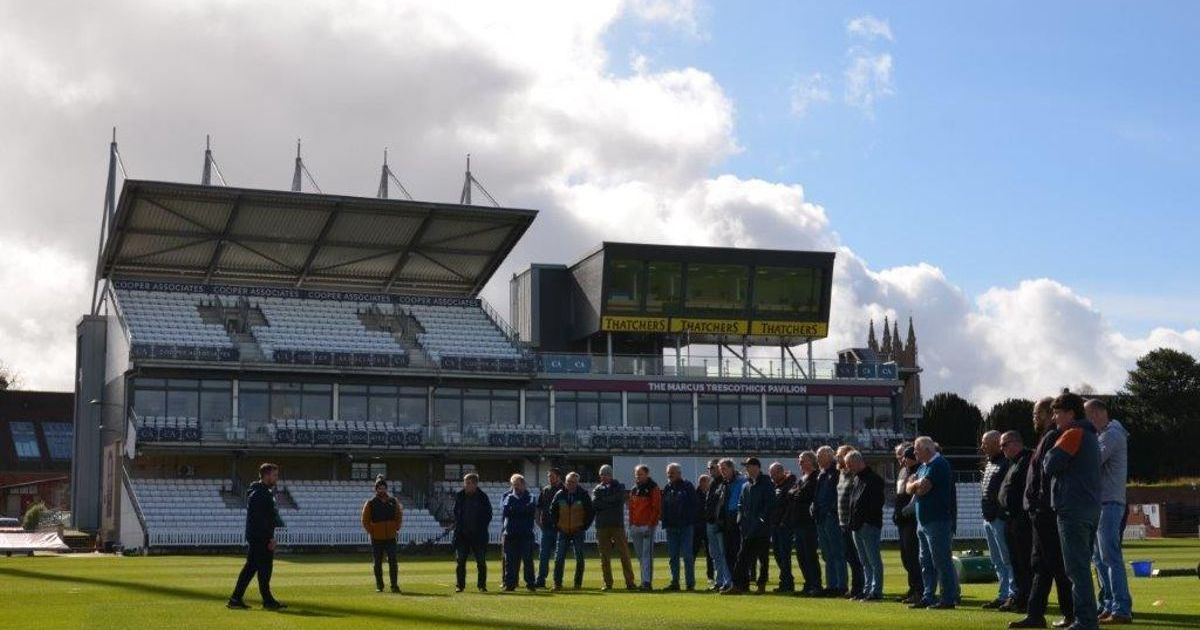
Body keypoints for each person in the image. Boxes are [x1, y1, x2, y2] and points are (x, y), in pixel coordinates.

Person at [1011, 397, 1075, 630]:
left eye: (1037, 413)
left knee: (1055, 563)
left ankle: (1070, 613)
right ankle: (1036, 613)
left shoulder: (1052, 437)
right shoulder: (1047, 437)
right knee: (1041, 565)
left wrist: (1038, 503)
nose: (1034, 418)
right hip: (1040, 509)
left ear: (1049, 413)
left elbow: (1045, 474)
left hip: (1045, 511)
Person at [1044, 391, 1102, 630]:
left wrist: (1053, 444)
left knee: (1076, 569)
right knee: (1081, 567)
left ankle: (1085, 620)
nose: (1054, 418)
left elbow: (1049, 464)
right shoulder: (1090, 435)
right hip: (1089, 507)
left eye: (1057, 413)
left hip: (1072, 508)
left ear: (1070, 413)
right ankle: (1087, 618)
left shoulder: (1072, 434)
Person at [1087, 399, 1133, 625]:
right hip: (1102, 503)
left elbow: (1093, 460)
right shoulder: (1106, 434)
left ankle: (1121, 608)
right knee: (1100, 559)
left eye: (1086, 417)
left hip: (1109, 502)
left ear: (1096, 414)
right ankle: (1109, 605)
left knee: (1110, 557)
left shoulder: (1112, 434)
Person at [907, 436, 959, 610]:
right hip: (923, 521)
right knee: (925, 562)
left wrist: (914, 484)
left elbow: (922, 490)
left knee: (941, 561)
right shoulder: (923, 467)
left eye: (916, 450)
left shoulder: (939, 464)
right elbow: (909, 489)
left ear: (927, 450)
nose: (914, 453)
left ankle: (948, 598)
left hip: (937, 520)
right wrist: (915, 484)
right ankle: (928, 595)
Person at [228, 463, 286, 610]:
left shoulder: (261, 492)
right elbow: (261, 520)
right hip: (260, 537)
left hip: (257, 536)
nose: (276, 478)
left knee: (251, 568)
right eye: (274, 475)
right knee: (264, 568)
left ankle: (236, 599)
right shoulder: (261, 494)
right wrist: (269, 537)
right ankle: (267, 601)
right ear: (266, 475)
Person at [724, 457, 773, 595]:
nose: (746, 468)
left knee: (763, 558)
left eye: (749, 466)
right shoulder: (746, 485)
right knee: (742, 557)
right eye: (746, 466)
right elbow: (740, 503)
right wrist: (740, 519)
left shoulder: (766, 483)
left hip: (762, 528)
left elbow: (769, 504)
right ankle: (738, 585)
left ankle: (761, 584)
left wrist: (761, 520)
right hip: (747, 528)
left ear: (756, 467)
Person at [998, 430, 1033, 614]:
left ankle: (1026, 599)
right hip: (1011, 518)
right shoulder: (1013, 463)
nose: (1002, 448)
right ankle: (1019, 597)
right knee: (1015, 561)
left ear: (1015, 443)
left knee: (1024, 561)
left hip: (1022, 519)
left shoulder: (1027, 460)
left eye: (1004, 444)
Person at [981, 429, 1015, 609]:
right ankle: (1003, 594)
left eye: (985, 443)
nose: (982, 447)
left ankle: (1013, 594)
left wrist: (1001, 514)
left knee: (1007, 558)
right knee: (996, 560)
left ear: (996, 443)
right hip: (988, 518)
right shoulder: (990, 463)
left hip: (999, 518)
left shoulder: (1005, 463)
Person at [845, 450, 884, 601]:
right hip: (857, 525)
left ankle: (876, 591)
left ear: (858, 461)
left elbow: (876, 504)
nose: (848, 468)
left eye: (849, 464)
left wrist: (866, 521)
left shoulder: (874, 479)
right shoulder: (857, 479)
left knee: (873, 560)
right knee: (864, 561)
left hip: (868, 525)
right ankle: (868, 589)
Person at [591, 464, 636, 591]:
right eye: (601, 475)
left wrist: (604, 502)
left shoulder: (619, 487)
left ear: (611, 475)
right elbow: (595, 504)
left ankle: (630, 582)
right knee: (604, 556)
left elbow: (618, 500)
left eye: (606, 474)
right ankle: (608, 583)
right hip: (602, 526)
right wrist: (610, 502)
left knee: (624, 554)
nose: (603, 477)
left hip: (617, 525)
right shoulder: (597, 489)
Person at [549, 471, 594, 590]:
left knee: (579, 558)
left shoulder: (583, 494)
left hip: (578, 531)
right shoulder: (559, 494)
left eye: (573, 482)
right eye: (568, 481)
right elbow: (552, 511)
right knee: (559, 558)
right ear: (565, 482)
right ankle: (557, 583)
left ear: (577, 483)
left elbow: (590, 512)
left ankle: (577, 584)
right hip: (563, 531)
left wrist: (584, 526)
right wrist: (557, 525)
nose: (570, 484)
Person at [813, 445, 847, 596]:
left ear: (829, 456)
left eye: (820, 455)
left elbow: (837, 494)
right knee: (827, 554)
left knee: (837, 553)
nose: (817, 458)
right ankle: (831, 585)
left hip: (831, 517)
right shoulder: (822, 473)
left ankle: (841, 585)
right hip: (821, 517)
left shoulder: (836, 472)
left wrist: (831, 511)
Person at [360, 475, 403, 593]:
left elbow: (399, 516)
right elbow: (365, 520)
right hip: (377, 538)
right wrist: (372, 531)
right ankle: (379, 586)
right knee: (377, 563)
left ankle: (394, 585)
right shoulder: (371, 503)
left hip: (391, 537)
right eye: (379, 488)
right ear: (376, 489)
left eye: (383, 488)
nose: (382, 490)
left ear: (386, 489)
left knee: (393, 561)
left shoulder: (393, 501)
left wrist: (396, 527)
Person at [452, 473, 492, 593]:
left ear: (475, 484)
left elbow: (488, 515)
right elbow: (456, 512)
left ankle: (481, 585)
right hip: (462, 535)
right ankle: (460, 585)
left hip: (478, 535)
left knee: (481, 561)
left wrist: (480, 527)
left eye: (468, 483)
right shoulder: (460, 496)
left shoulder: (483, 497)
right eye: (465, 483)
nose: (466, 485)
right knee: (460, 561)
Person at [790, 450, 823, 596]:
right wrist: (796, 493)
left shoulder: (816, 477)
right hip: (798, 521)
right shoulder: (802, 478)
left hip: (808, 522)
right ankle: (808, 583)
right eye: (799, 460)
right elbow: (791, 494)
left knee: (810, 555)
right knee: (801, 556)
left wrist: (796, 493)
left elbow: (802, 495)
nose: (800, 462)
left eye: (803, 460)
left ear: (811, 461)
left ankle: (815, 584)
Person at [661, 462, 698, 591]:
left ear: (679, 473)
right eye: (668, 473)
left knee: (687, 556)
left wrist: (689, 520)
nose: (669, 475)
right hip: (671, 527)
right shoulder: (667, 488)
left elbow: (695, 505)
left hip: (685, 527)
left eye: (672, 472)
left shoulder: (688, 486)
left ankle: (690, 584)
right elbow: (664, 506)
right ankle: (675, 582)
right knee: (673, 557)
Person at [893, 444, 923, 604]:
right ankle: (913, 588)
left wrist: (905, 511)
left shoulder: (918, 471)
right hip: (902, 520)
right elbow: (899, 495)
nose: (902, 459)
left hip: (911, 520)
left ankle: (919, 590)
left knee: (913, 556)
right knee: (906, 557)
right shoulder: (903, 471)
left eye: (904, 456)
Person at [835, 445, 865, 599]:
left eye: (840, 455)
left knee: (856, 557)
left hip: (851, 521)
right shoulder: (841, 474)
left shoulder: (854, 475)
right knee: (849, 556)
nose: (837, 458)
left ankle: (859, 587)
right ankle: (856, 587)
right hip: (842, 521)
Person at [628, 464, 662, 590]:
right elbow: (631, 508)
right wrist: (631, 524)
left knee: (646, 555)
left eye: (640, 474)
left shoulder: (653, 488)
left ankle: (646, 582)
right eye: (636, 474)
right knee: (640, 556)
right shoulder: (634, 489)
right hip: (636, 526)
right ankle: (644, 581)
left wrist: (650, 524)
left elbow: (656, 507)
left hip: (647, 526)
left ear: (647, 474)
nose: (638, 476)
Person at [501, 474, 537, 592]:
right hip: (510, 534)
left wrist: (515, 509)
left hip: (526, 534)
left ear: (523, 484)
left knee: (528, 560)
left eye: (518, 484)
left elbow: (530, 510)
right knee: (510, 561)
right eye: (514, 485)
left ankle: (530, 584)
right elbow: (506, 511)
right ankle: (510, 584)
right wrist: (522, 509)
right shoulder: (507, 496)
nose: (516, 487)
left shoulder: (531, 496)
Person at [716, 458, 747, 592]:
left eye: (724, 469)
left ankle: (741, 583)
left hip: (737, 518)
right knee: (728, 553)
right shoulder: (724, 484)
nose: (722, 472)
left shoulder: (742, 481)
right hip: (726, 520)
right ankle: (733, 583)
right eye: (721, 469)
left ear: (732, 468)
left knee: (738, 553)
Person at [767, 462, 797, 593]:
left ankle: (787, 582)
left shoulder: (789, 485)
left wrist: (784, 521)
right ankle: (786, 580)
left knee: (784, 555)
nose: (771, 476)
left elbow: (789, 506)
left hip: (784, 526)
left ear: (780, 472)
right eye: (770, 473)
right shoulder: (776, 486)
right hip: (775, 524)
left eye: (773, 473)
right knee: (778, 554)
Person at [703, 459, 732, 591]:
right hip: (711, 522)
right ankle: (719, 580)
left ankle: (726, 580)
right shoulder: (713, 483)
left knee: (722, 553)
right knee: (714, 554)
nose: (710, 470)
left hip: (719, 523)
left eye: (713, 468)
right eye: (709, 468)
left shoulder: (725, 482)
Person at [535, 468, 564, 588]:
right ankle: (540, 580)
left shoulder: (564, 490)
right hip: (546, 528)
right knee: (543, 555)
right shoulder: (545, 490)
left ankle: (557, 581)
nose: (549, 478)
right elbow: (539, 507)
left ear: (558, 477)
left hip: (559, 529)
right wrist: (538, 521)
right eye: (548, 476)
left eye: (552, 476)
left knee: (559, 557)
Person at [694, 473, 714, 587]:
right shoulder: (695, 495)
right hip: (697, 527)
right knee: (693, 552)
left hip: (708, 526)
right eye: (703, 482)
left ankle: (710, 577)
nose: (706, 484)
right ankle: (690, 577)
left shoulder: (711, 494)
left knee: (710, 554)